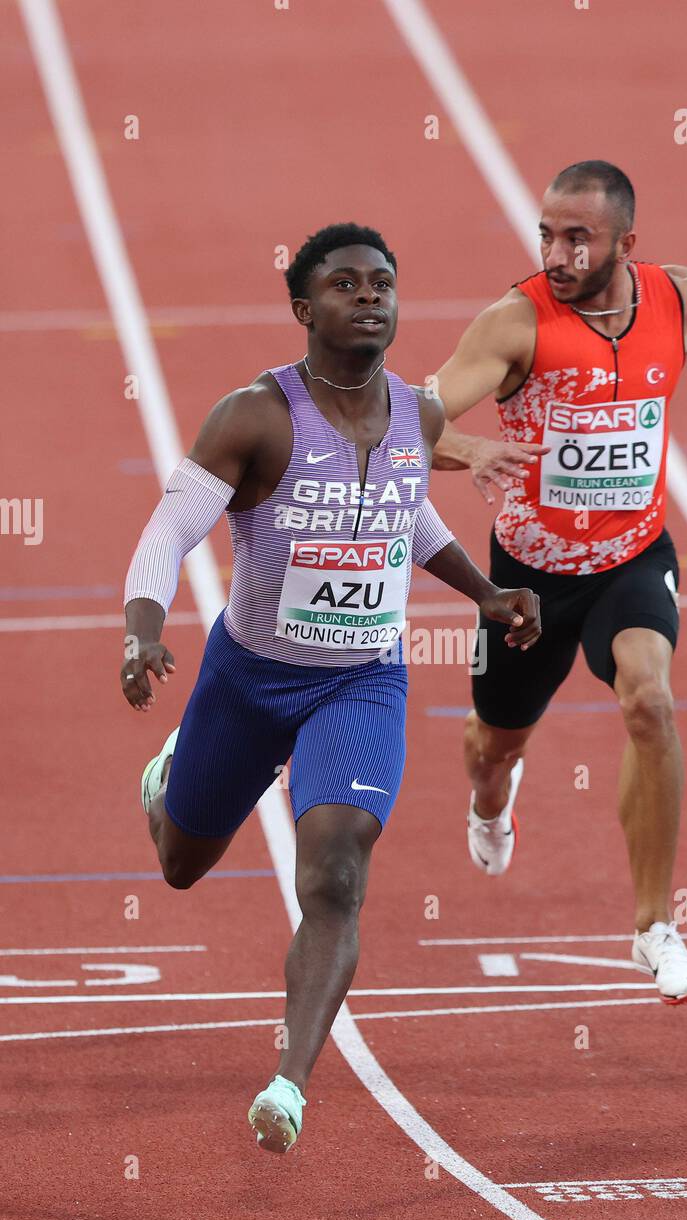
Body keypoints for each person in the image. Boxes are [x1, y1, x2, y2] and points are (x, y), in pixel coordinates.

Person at [120, 223, 540, 1153]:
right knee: (180, 865)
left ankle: (289, 1083)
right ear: (306, 310)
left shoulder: (417, 415)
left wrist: (486, 591)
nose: (370, 297)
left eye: (383, 282)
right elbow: (168, 530)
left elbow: (409, 516)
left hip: (360, 683)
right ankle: (173, 774)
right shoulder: (254, 417)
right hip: (247, 678)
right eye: (346, 285)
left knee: (337, 874)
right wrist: (143, 629)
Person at [430, 161, 687, 1005]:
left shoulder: (675, 295)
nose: (557, 253)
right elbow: (409, 425)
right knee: (490, 748)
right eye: (546, 234)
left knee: (650, 701)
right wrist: (468, 449)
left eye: (577, 237)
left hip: (632, 557)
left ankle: (654, 927)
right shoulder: (515, 323)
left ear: (625, 243)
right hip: (529, 583)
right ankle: (493, 802)